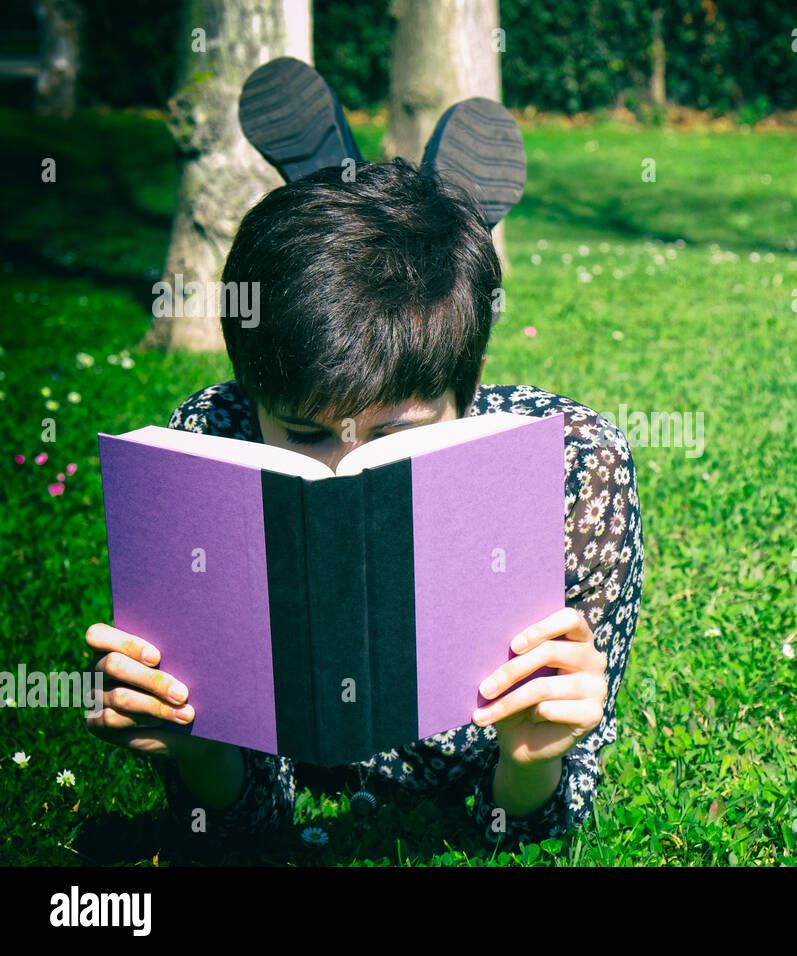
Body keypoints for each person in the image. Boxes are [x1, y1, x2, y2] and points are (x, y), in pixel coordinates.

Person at [84, 60, 643, 853]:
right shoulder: (210, 443)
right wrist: (199, 744)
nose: (345, 470)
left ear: (468, 393)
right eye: (306, 435)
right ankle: (354, 191)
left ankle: (403, 200)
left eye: (396, 438)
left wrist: (530, 760)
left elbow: (527, 823)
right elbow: (248, 827)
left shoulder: (575, 471)